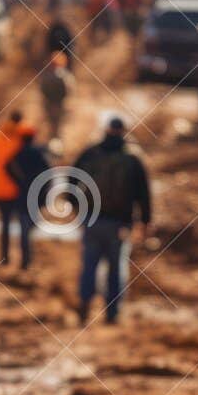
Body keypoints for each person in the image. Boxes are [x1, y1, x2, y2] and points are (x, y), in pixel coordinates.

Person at [68, 116, 150, 324]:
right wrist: (145, 221)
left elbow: (71, 179)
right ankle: (112, 314)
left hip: (92, 221)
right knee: (116, 269)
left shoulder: (91, 153)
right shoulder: (132, 159)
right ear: (124, 132)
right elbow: (143, 193)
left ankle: (84, 306)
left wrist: (75, 205)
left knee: (89, 265)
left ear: (105, 130)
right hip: (120, 225)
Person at [0, 112, 30, 254]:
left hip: (0, 189)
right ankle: (25, 259)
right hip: (20, 189)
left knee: (5, 224)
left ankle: (4, 256)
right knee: (23, 225)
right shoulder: (23, 138)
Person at [4, 127, 52, 271]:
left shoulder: (18, 153)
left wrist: (18, 181)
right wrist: (45, 195)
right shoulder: (39, 153)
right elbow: (48, 174)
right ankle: (27, 260)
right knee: (30, 226)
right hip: (35, 194)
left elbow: (7, 167)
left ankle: (26, 260)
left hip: (22, 195)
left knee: (24, 228)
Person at [39, 53, 72, 139]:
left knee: (55, 125)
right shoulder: (64, 75)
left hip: (54, 103)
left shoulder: (48, 75)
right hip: (57, 103)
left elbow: (43, 88)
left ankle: (54, 140)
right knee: (56, 125)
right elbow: (69, 90)